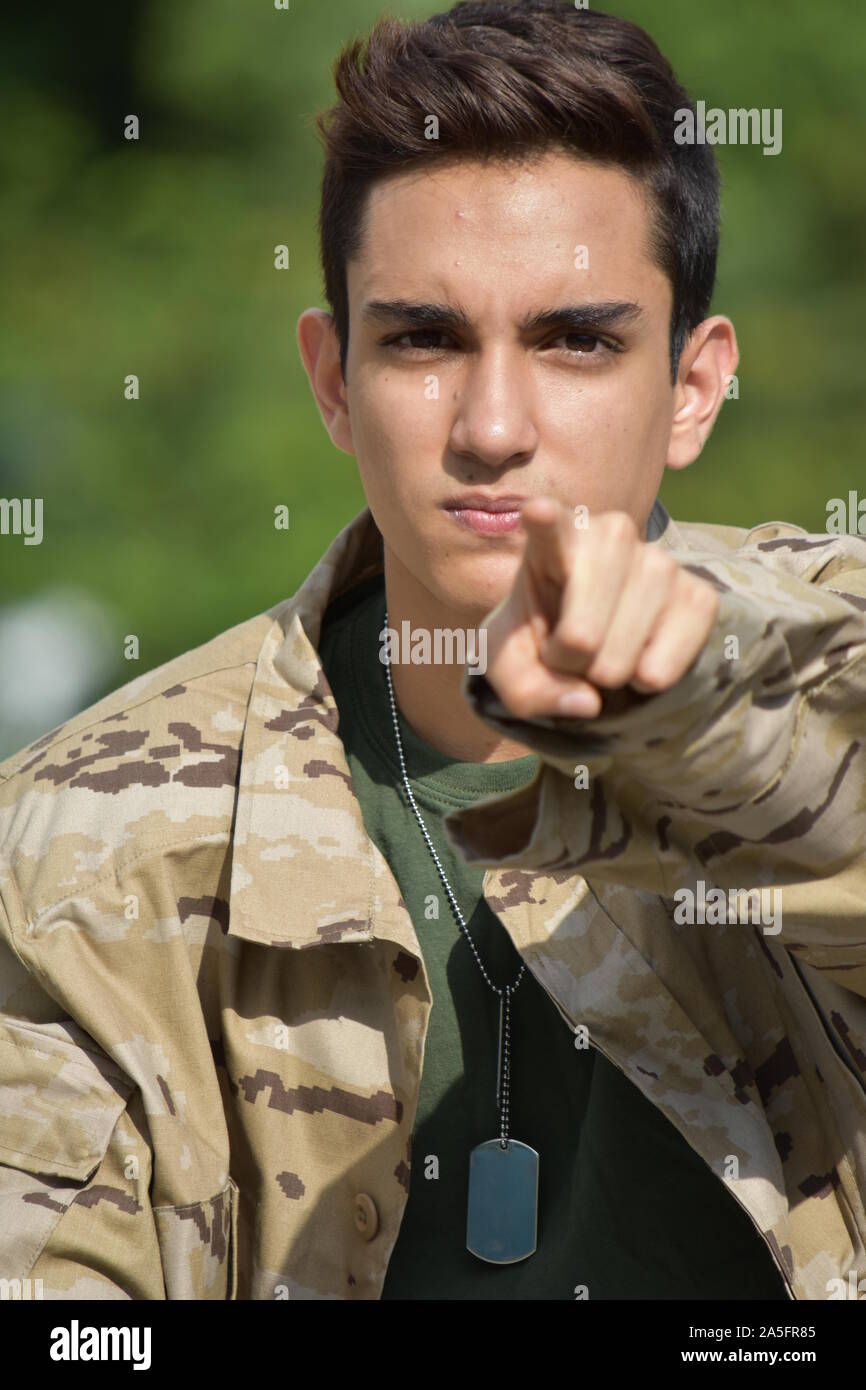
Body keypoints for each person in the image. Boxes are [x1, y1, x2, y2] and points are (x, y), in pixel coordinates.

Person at [1, 0, 864, 1301]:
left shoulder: (809, 694)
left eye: (577, 340)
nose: (493, 424)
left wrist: (679, 693)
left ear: (693, 386)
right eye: (423, 339)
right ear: (333, 379)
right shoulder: (76, 843)